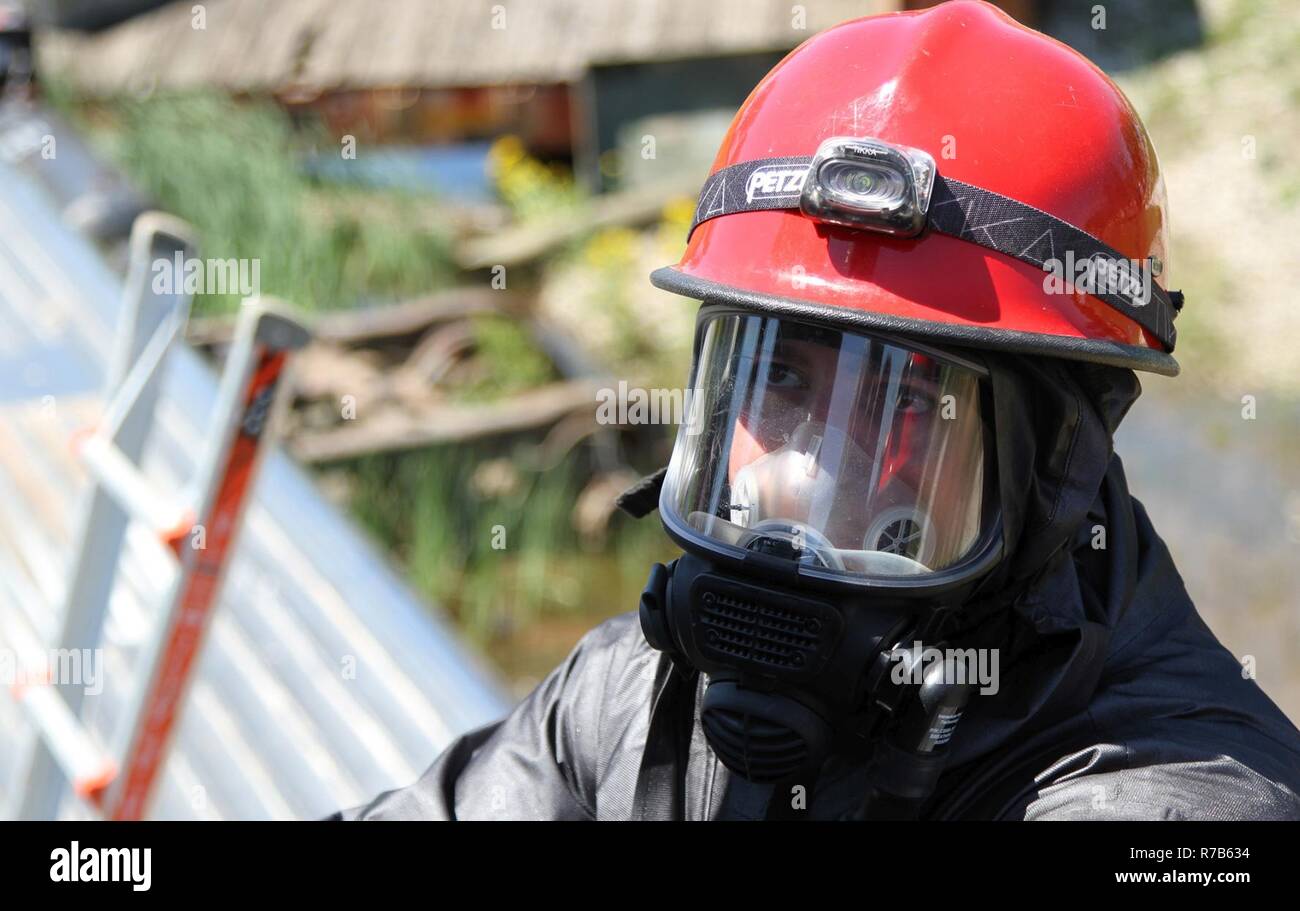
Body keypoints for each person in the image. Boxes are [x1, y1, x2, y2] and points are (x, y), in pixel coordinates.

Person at [336, 1, 1300, 820]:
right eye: (783, 380)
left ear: (1055, 461)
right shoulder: (638, 694)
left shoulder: (1181, 799)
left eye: (914, 399)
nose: (803, 477)